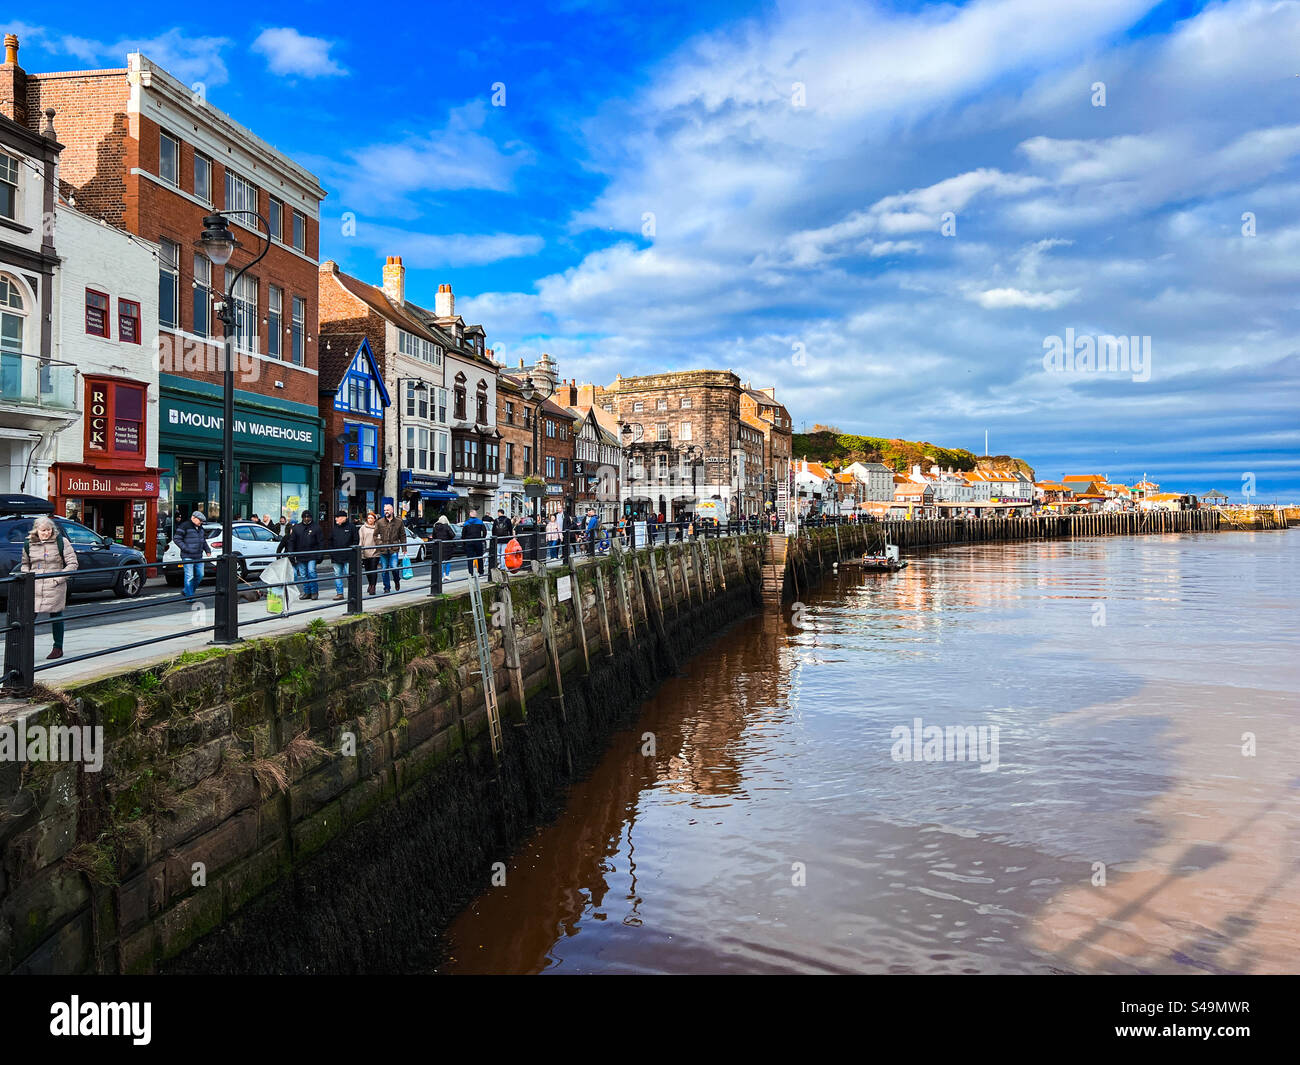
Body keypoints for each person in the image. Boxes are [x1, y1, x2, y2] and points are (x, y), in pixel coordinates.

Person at [20, 516, 79, 660]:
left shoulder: (61, 542)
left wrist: (58, 579)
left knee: (56, 615)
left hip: (54, 585)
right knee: (28, 617)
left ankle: (57, 647)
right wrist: (28, 576)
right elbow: (25, 564)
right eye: (43, 530)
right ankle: (24, 648)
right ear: (36, 531)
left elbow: (72, 564)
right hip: (35, 585)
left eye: (49, 530)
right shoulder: (29, 544)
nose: (46, 533)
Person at [278, 509, 323, 599]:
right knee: (303, 574)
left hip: (312, 554)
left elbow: (321, 542)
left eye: (308, 517)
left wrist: (320, 555)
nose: (306, 519)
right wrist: (291, 553)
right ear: (302, 518)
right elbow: (292, 541)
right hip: (300, 554)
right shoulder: (297, 528)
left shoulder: (316, 527)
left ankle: (314, 592)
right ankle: (307, 592)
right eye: (305, 517)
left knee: (311, 572)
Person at [175, 510, 211, 599]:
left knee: (200, 575)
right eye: (200, 520)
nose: (201, 522)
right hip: (187, 556)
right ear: (193, 518)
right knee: (189, 576)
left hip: (198, 556)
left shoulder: (200, 528)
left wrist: (207, 549)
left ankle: (187, 591)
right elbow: (177, 539)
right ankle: (190, 596)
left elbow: (203, 540)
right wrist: (186, 549)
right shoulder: (184, 526)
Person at [326, 509, 358, 601]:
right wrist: (331, 552)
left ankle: (353, 592)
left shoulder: (352, 527)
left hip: (348, 556)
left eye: (338, 517)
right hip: (336, 556)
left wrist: (352, 552)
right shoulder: (334, 528)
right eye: (336, 517)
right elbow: (330, 540)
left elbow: (356, 540)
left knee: (350, 575)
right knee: (337, 575)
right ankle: (339, 593)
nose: (336, 519)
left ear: (344, 518)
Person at [374, 503, 406, 592]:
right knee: (384, 570)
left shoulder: (399, 522)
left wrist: (404, 549)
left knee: (394, 567)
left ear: (392, 510)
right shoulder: (380, 522)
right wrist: (380, 543)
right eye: (384, 510)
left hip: (394, 549)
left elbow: (403, 535)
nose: (386, 512)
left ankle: (396, 580)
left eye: (387, 510)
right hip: (383, 549)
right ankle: (387, 588)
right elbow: (375, 535)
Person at [358, 511, 381, 594]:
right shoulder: (363, 528)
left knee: (373, 569)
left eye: (372, 518)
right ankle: (370, 584)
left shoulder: (378, 528)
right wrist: (360, 551)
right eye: (368, 518)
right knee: (367, 570)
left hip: (375, 552)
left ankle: (373, 586)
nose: (370, 519)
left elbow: (380, 538)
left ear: (375, 519)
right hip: (365, 551)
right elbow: (361, 540)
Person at [430, 514, 457, 579]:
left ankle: (441, 575)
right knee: (448, 560)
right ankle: (447, 575)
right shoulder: (447, 527)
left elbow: (434, 537)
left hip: (439, 546)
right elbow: (452, 535)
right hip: (448, 546)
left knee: (440, 561)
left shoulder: (435, 527)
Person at [461, 508, 487, 576]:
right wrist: (483, 538)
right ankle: (481, 572)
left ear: (470, 514)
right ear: (475, 515)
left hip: (469, 541)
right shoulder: (480, 522)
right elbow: (484, 531)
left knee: (470, 558)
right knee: (479, 557)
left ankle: (471, 573)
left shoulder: (466, 523)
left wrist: (464, 541)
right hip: (478, 541)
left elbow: (463, 534)